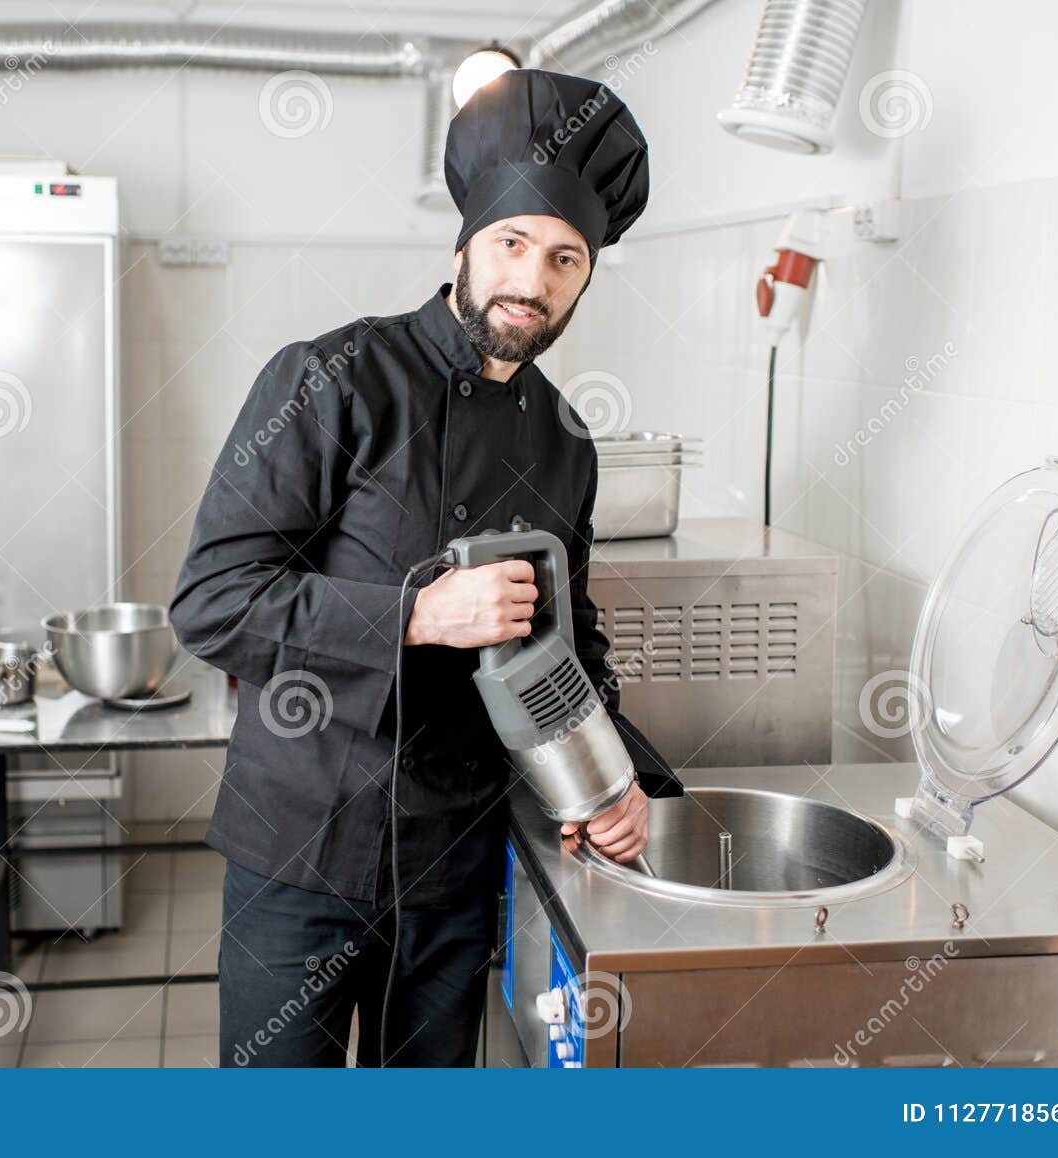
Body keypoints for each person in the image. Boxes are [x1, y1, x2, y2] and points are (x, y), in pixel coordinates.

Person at [169, 68, 673, 1068]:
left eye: (564, 258)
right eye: (512, 243)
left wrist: (616, 781)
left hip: (453, 862)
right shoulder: (331, 380)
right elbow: (212, 604)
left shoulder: (567, 442)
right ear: (464, 245)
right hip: (302, 853)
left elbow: (569, 639)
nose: (532, 279)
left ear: (585, 277)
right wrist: (415, 615)